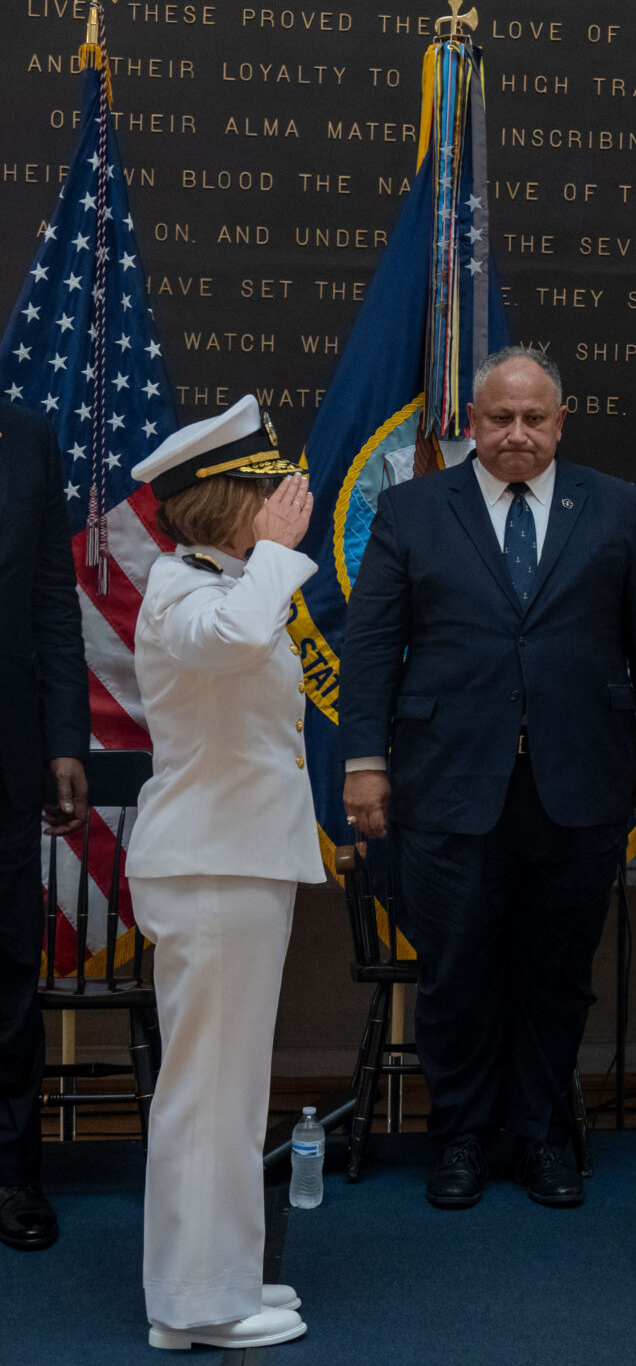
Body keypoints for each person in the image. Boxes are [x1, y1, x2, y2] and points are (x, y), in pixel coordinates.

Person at [340, 346, 636, 1209]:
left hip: (580, 784)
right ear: (473, 422)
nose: (518, 435)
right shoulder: (413, 509)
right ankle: (458, 1137)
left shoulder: (616, 507)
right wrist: (364, 764)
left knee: (557, 970)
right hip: (447, 784)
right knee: (455, 970)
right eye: (501, 418)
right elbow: (374, 647)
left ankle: (541, 1137)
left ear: (561, 422)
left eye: (536, 419)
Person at [127, 395, 325, 1352]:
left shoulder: (216, 582)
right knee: (209, 1089)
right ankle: (196, 1305)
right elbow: (234, 642)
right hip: (211, 866)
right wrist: (283, 554)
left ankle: (218, 1282)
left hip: (234, 859)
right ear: (225, 502)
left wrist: (270, 561)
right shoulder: (182, 591)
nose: (288, 500)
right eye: (268, 489)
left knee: (230, 1087)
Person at [0, 400, 89, 1252]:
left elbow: (52, 605)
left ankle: (12, 1176)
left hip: (7, 752)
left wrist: (67, 739)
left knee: (6, 977)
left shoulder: (25, 436)